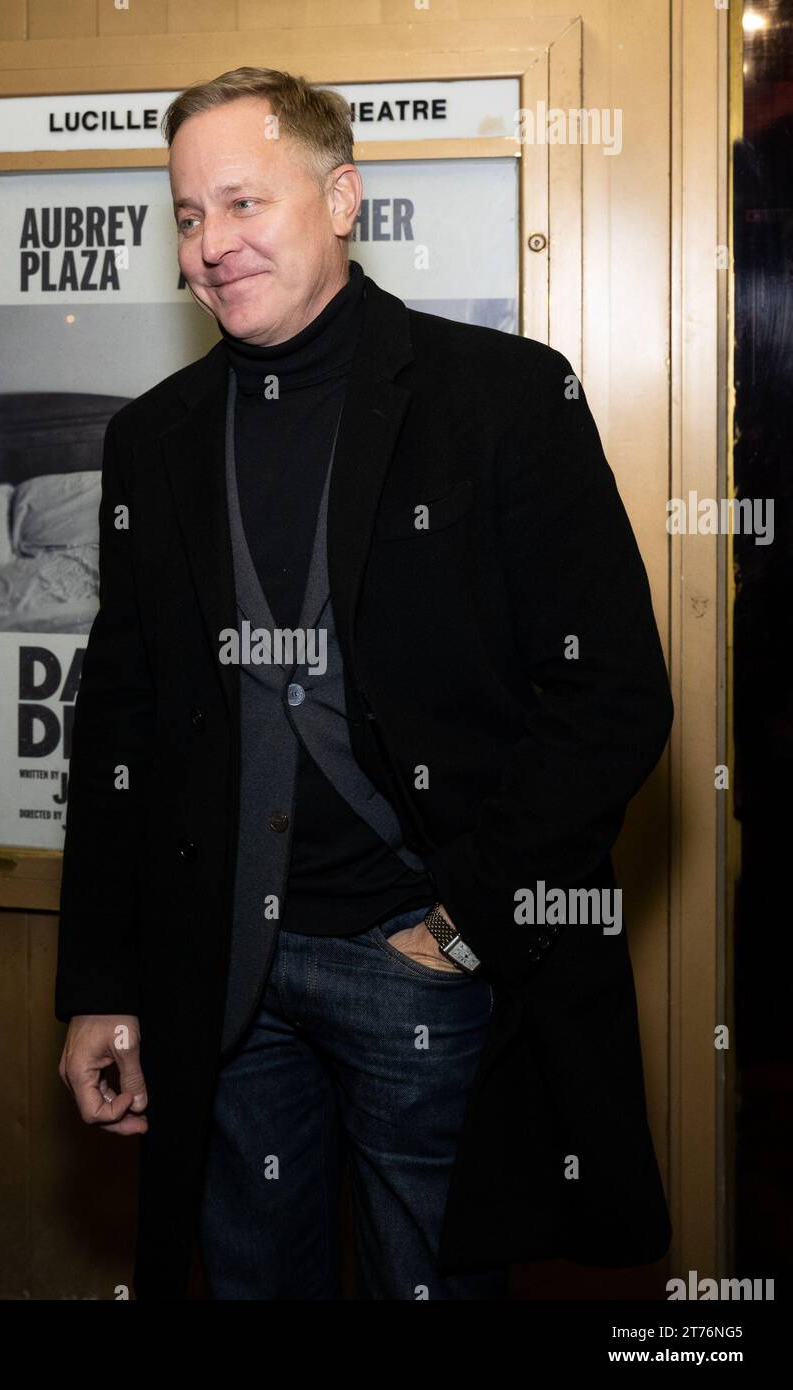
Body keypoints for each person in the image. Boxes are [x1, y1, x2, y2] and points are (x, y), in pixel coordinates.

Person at [56, 66, 674, 1301]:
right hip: (221, 986)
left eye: (242, 203)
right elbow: (118, 727)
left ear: (340, 198)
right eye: (186, 216)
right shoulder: (153, 437)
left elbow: (610, 697)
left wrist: (458, 930)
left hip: (424, 976)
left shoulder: (503, 398)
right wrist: (101, 987)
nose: (210, 247)